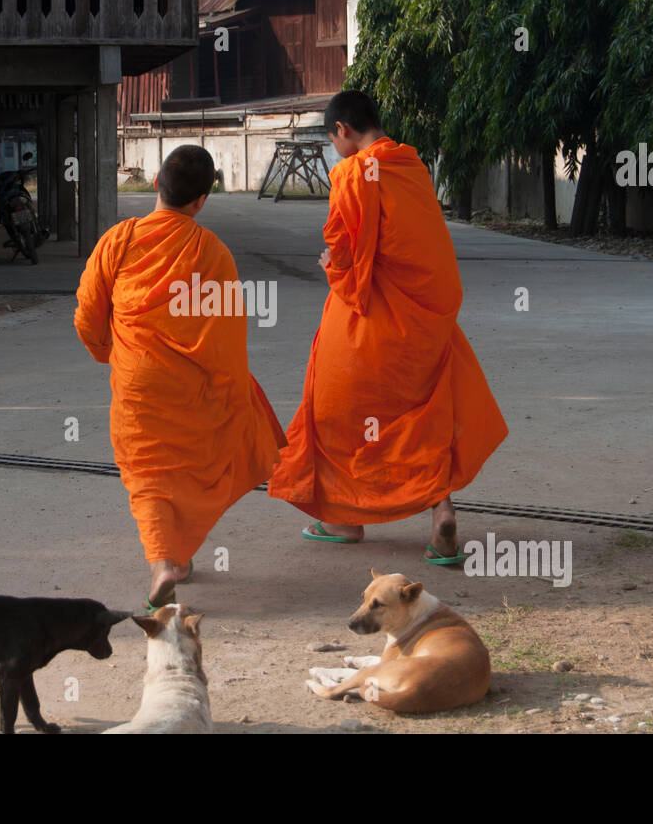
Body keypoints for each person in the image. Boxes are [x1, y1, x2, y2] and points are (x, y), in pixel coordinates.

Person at [267, 91, 507, 563]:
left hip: (369, 319)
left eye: (332, 137)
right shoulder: (410, 164)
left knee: (332, 411)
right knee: (421, 418)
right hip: (422, 323)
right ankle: (441, 513)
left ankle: (342, 518)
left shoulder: (354, 173)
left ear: (343, 131)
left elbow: (346, 253)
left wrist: (330, 266)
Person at [75, 145, 286, 608]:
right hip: (195, 387)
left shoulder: (119, 240)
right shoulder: (213, 252)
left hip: (137, 383)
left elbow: (88, 318)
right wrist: (230, 392)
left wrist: (112, 354)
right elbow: (227, 338)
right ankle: (173, 557)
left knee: (147, 472)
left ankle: (165, 562)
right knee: (194, 468)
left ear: (154, 183)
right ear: (202, 201)